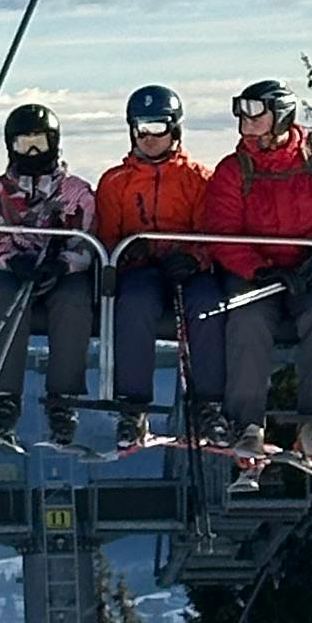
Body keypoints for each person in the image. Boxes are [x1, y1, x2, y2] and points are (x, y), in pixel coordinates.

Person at [201, 77, 312, 480]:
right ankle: (247, 421)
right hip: (256, 271)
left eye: (255, 112)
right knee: (249, 319)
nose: (245, 121)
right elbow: (222, 234)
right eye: (242, 112)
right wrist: (260, 269)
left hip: (307, 270)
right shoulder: (234, 171)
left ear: (281, 115)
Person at [92, 83, 220, 443]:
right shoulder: (117, 182)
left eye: (158, 127)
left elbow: (211, 234)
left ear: (175, 129)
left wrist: (193, 257)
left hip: (186, 268)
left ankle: (209, 405)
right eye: (141, 128)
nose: (148, 138)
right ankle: (133, 408)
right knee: (133, 304)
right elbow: (106, 237)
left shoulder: (197, 179)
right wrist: (124, 254)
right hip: (143, 269)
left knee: (208, 306)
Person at [0, 102, 99, 447]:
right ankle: (5, 399)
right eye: (22, 143)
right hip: (17, 270)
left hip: (61, 269)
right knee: (2, 297)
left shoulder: (75, 192)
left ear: (54, 143)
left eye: (39, 143)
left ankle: (63, 400)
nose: (30, 151)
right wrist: (13, 262)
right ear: (9, 145)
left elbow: (88, 243)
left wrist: (64, 264)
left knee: (74, 300)